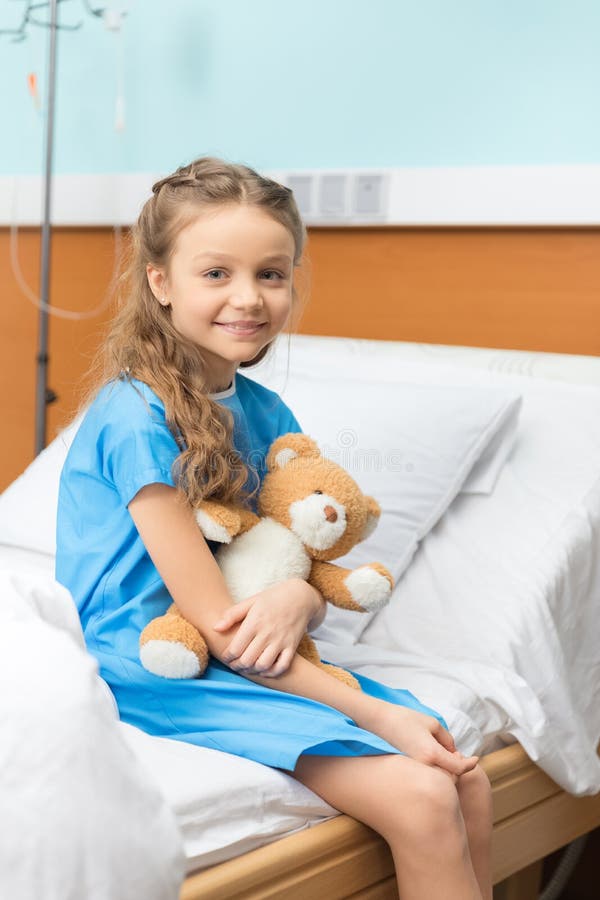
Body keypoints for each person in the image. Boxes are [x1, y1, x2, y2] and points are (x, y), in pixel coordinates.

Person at [56, 157, 493, 899]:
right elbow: (221, 620)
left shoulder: (266, 414)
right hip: (154, 662)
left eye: (271, 274)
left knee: (470, 780)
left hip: (242, 648)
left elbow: (274, 565)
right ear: (160, 282)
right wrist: (375, 714)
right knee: (422, 797)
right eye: (216, 274)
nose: (249, 298)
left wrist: (305, 601)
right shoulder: (135, 419)